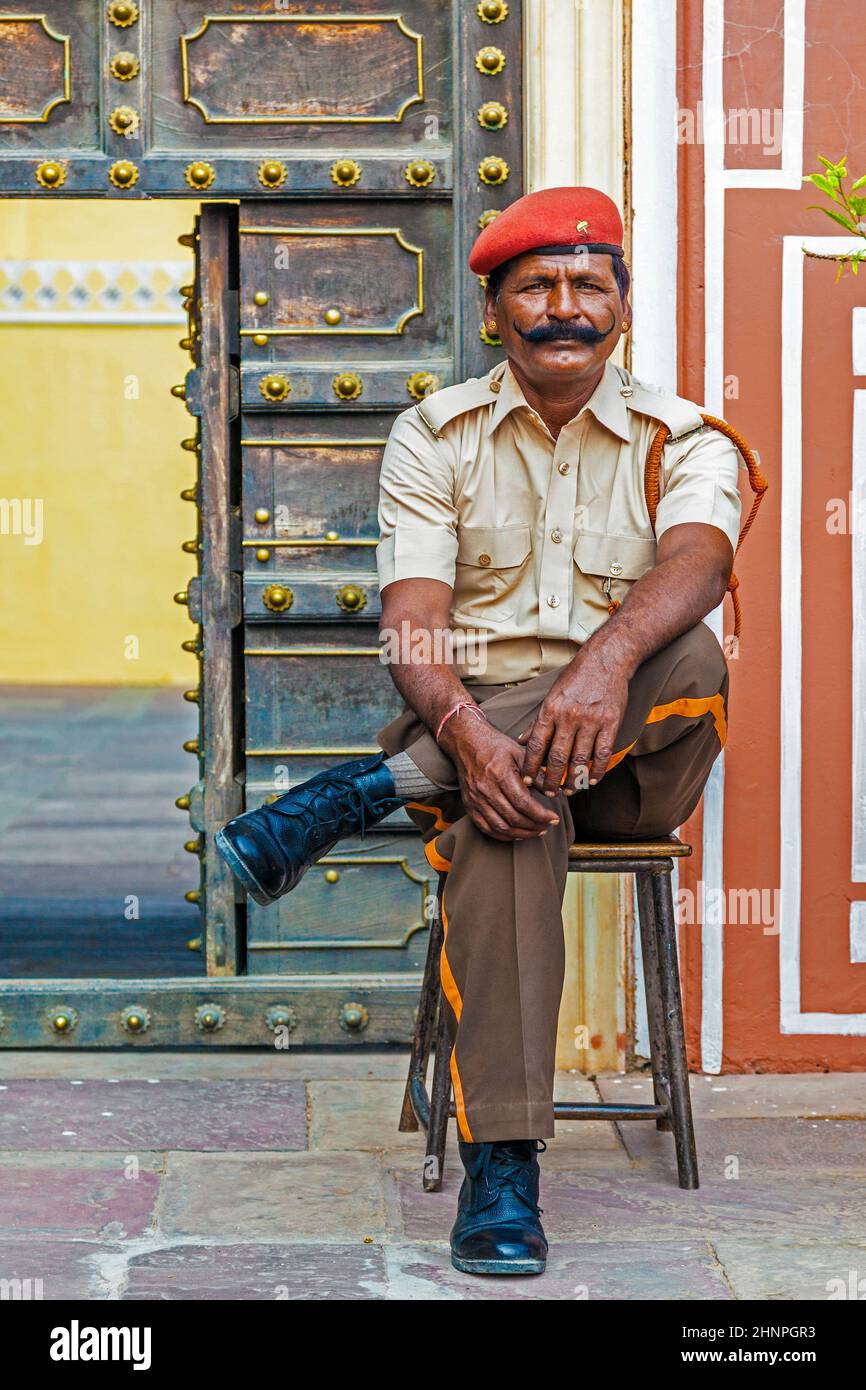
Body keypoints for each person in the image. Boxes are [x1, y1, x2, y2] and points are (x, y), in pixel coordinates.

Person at [217, 186, 741, 1277]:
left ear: (621, 306)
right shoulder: (435, 434)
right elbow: (410, 626)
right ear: (495, 309)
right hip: (472, 750)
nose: (563, 307)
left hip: (636, 758)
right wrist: (466, 735)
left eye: (586, 285)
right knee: (506, 819)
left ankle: (363, 789)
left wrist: (600, 665)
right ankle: (504, 1164)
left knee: (685, 647)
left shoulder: (682, 436)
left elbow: (698, 562)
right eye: (535, 287)